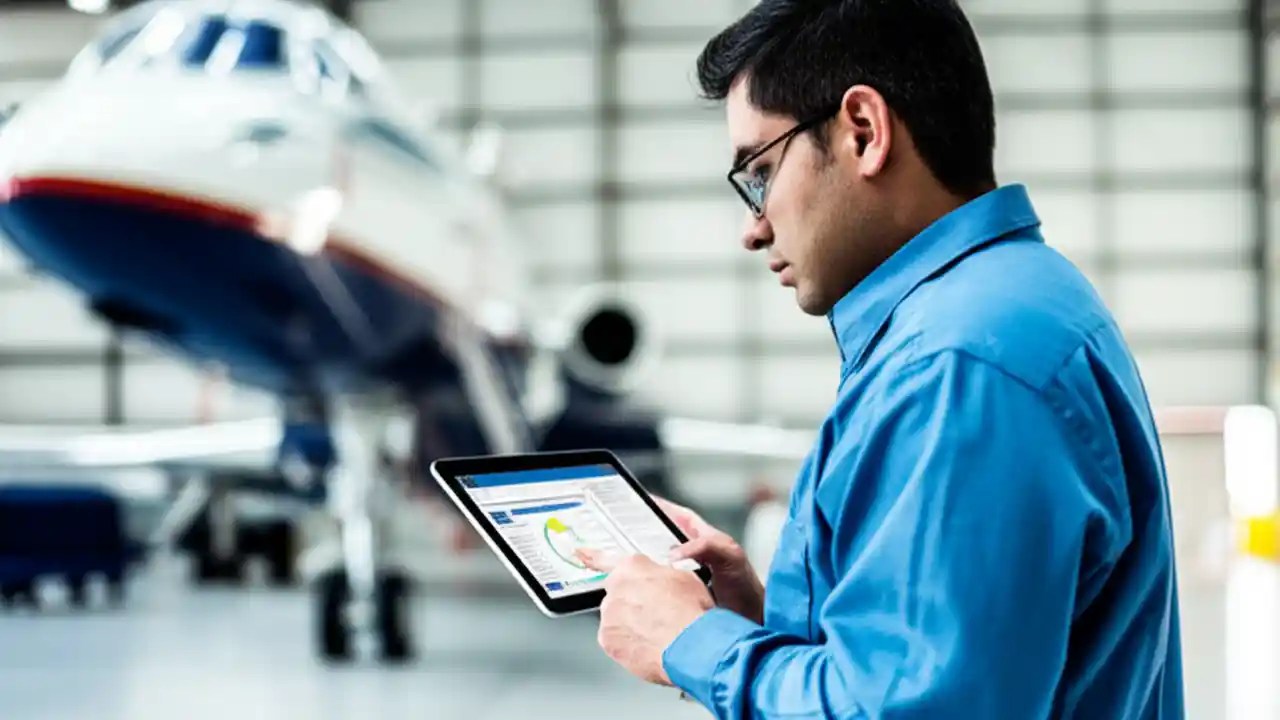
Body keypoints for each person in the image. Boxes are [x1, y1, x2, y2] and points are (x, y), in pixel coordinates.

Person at [575, 0, 1186, 717]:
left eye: (760, 173)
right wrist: (755, 620)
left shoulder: (958, 364)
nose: (753, 227)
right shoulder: (1018, 300)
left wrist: (696, 641)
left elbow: (913, 710)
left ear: (863, 131)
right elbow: (946, 661)